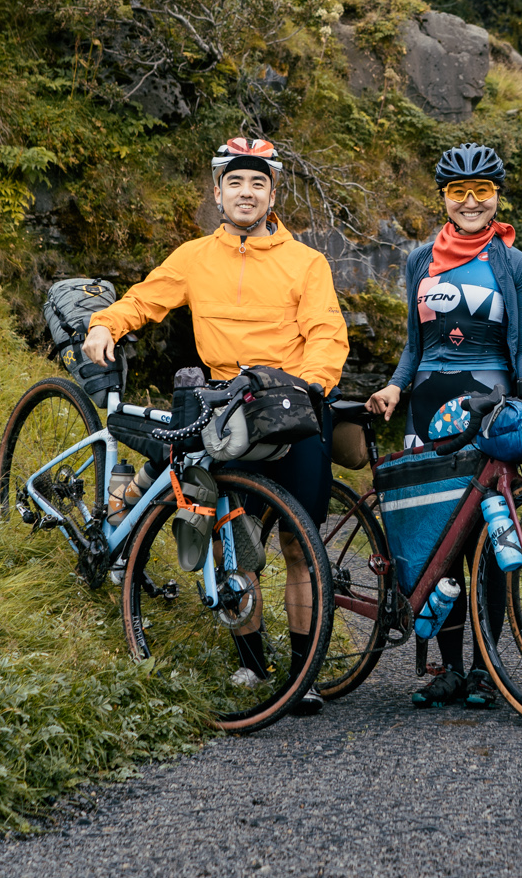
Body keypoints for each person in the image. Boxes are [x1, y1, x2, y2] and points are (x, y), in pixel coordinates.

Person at [83, 136, 347, 717]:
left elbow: (327, 332)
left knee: (299, 549)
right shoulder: (194, 256)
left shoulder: (307, 262)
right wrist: (106, 325)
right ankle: (254, 665)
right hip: (227, 407)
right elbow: (144, 300)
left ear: (273, 194)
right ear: (219, 193)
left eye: (258, 183)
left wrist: (308, 386)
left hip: (293, 405)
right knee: (237, 547)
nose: (246, 192)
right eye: (235, 183)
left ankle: (303, 674)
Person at [365, 143, 522, 710]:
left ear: (497, 196)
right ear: (444, 199)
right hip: (427, 407)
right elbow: (414, 344)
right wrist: (392, 385)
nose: (472, 202)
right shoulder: (418, 260)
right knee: (440, 543)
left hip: (489, 407)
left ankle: (486, 669)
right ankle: (448, 668)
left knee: (489, 539)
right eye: (460, 192)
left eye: (483, 191)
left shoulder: (515, 264)